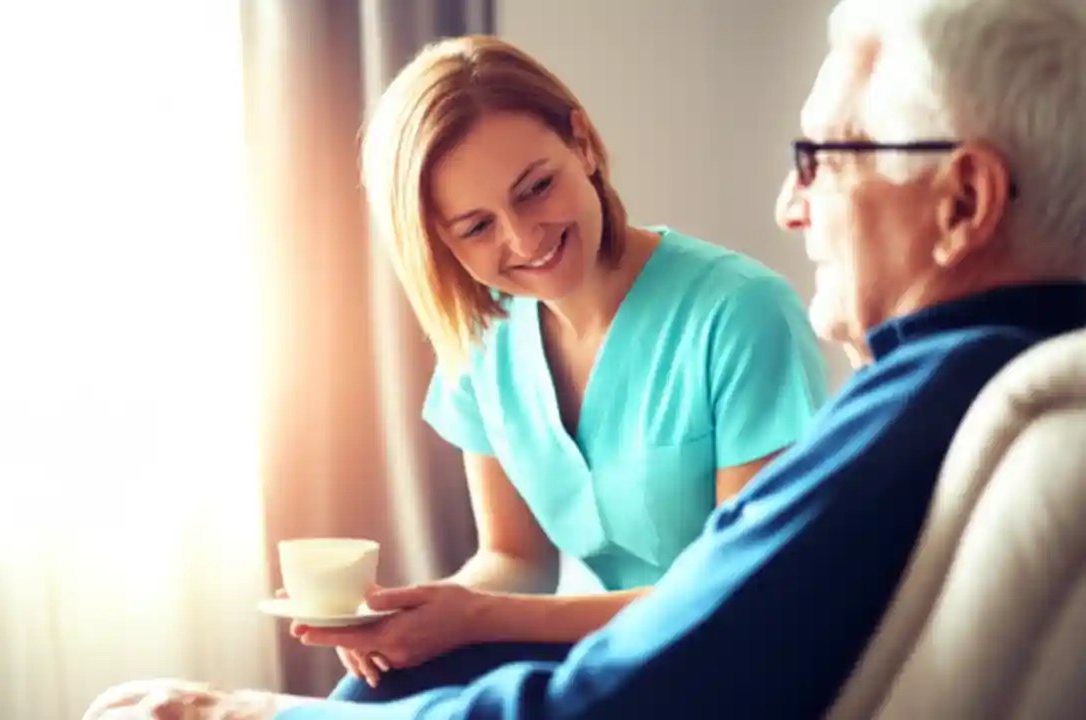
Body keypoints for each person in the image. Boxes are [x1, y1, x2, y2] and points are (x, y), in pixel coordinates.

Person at [83, 0, 1086, 717]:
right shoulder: (947, 385)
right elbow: (539, 573)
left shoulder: (905, 392)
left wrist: (241, 715)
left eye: (819, 160)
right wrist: (445, 619)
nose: (788, 208)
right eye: (472, 225)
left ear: (961, 203)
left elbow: (646, 680)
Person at [289, 34, 825, 701]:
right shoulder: (482, 339)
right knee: (368, 698)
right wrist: (414, 616)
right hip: (590, 653)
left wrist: (479, 619)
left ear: (584, 144)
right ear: (440, 242)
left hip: (725, 661)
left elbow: (744, 593)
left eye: (536, 188)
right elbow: (516, 561)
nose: (525, 239)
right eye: (476, 227)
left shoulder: (742, 312)